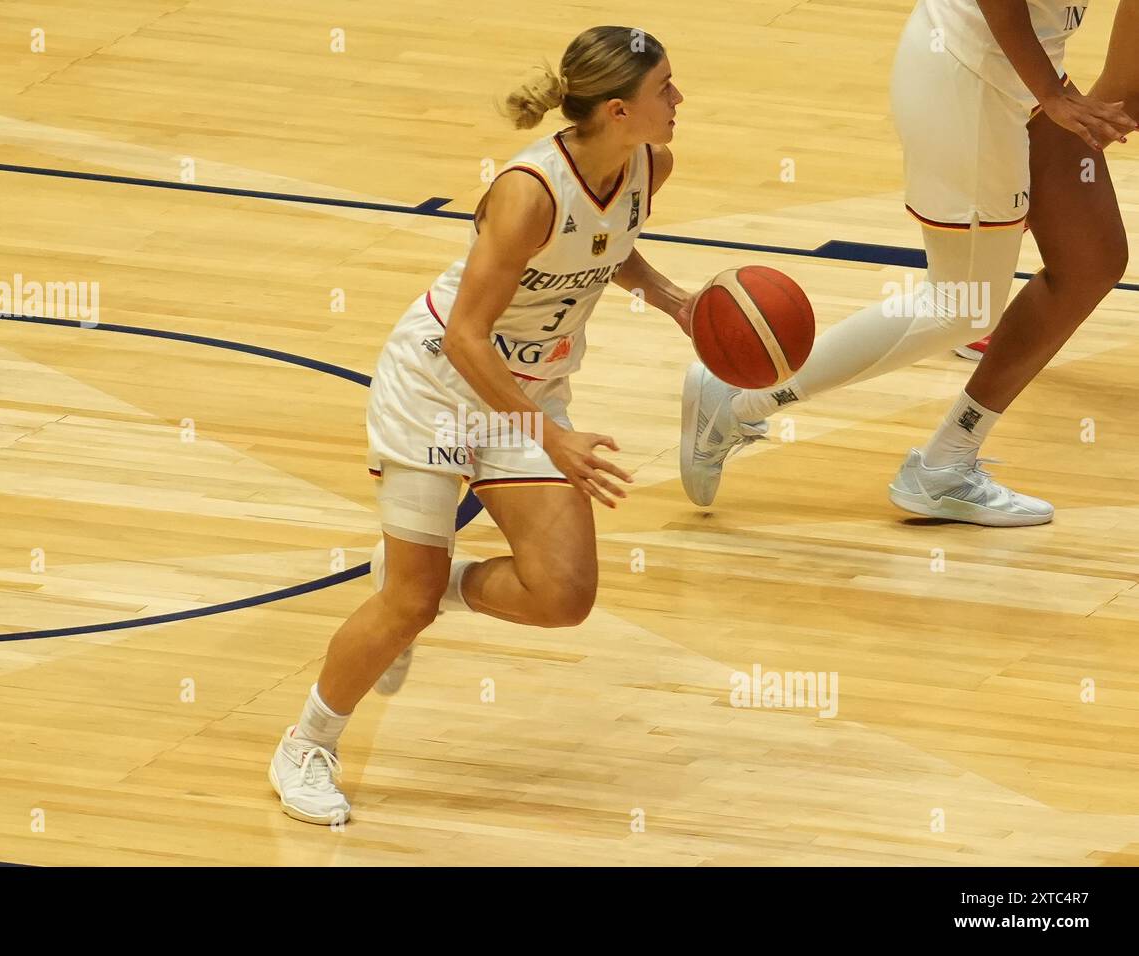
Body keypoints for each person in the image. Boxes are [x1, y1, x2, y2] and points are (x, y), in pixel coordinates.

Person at [270, 25, 689, 825]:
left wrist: (673, 300)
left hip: (526, 387)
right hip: (436, 384)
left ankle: (417, 582)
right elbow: (466, 335)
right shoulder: (527, 190)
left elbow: (608, 244)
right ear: (617, 108)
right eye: (664, 87)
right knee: (407, 607)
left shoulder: (648, 164)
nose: (678, 99)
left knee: (562, 596)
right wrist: (553, 435)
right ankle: (307, 745)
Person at [681, 0, 1135, 526]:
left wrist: (1068, 146)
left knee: (1090, 260)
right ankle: (739, 399)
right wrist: (1053, 99)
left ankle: (946, 462)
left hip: (1024, 82)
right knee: (960, 307)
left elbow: (1129, 84)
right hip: (971, 78)